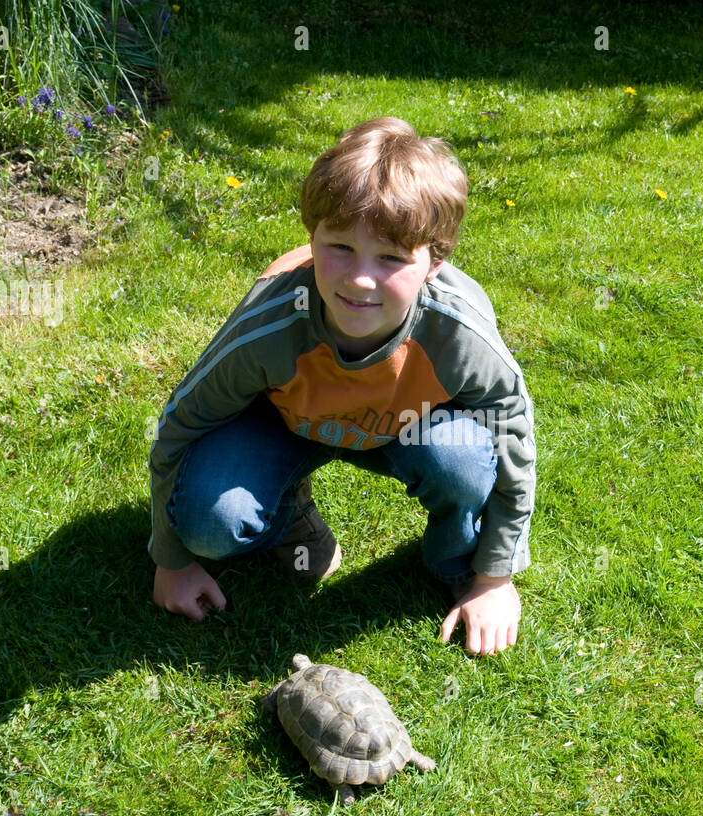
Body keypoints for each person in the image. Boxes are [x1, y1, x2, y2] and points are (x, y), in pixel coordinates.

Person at [147, 117, 536, 656]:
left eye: (392, 258)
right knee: (210, 523)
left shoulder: (458, 332)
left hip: (404, 427)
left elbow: (512, 433)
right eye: (340, 248)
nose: (359, 278)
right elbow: (179, 426)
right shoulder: (271, 325)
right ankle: (287, 515)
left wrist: (495, 576)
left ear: (435, 262)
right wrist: (171, 559)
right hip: (285, 423)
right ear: (311, 235)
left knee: (464, 461)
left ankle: (457, 563)